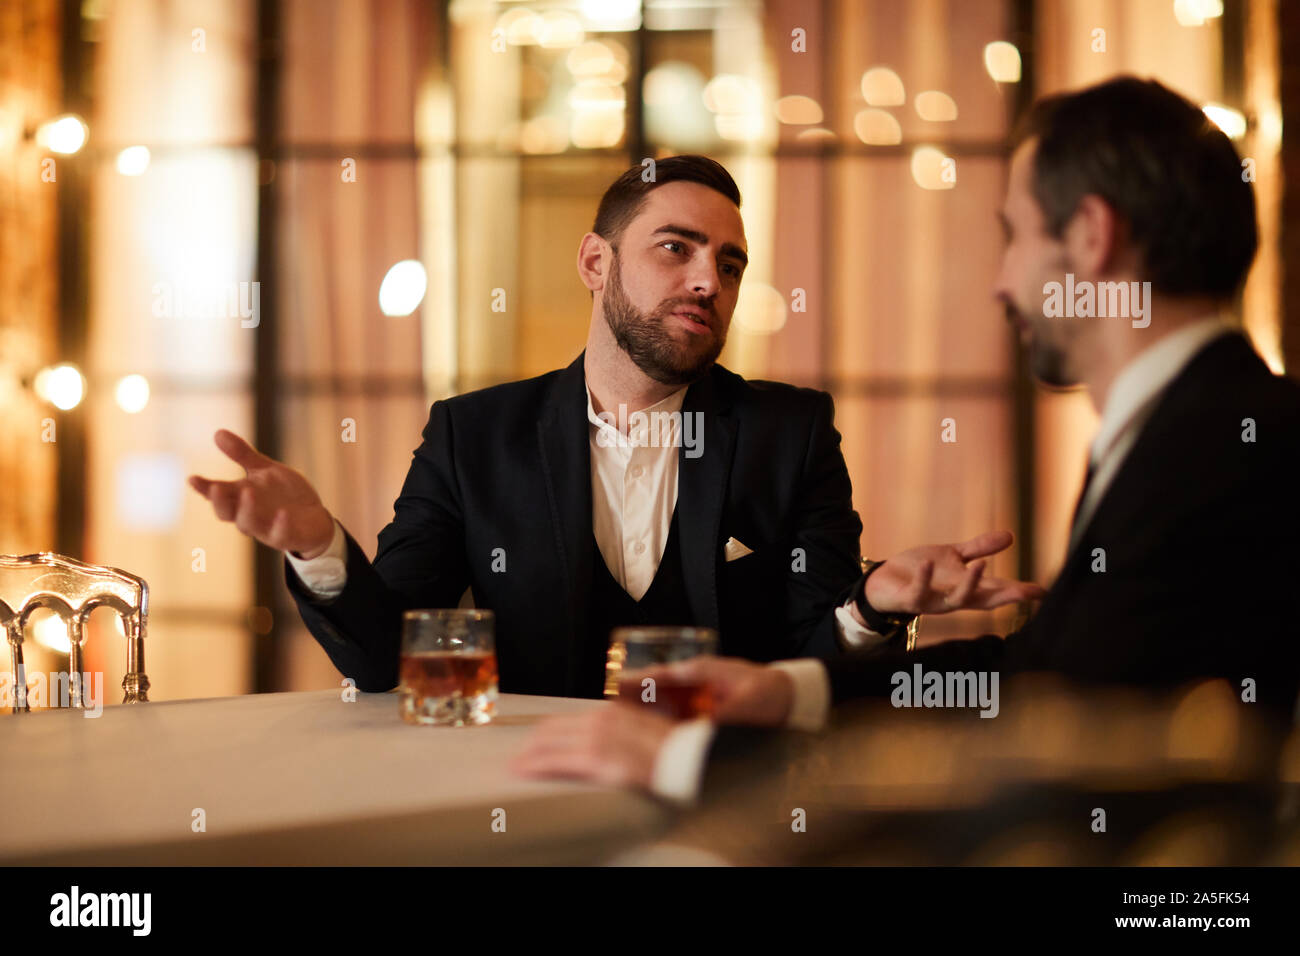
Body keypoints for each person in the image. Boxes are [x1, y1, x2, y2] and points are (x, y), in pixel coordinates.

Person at [512, 76, 1300, 797]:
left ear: (1091, 237)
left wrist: (692, 761)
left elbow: (1083, 749)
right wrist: (797, 692)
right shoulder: (1202, 429)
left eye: (1015, 236)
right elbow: (1036, 673)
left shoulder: (1221, 451)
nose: (1001, 282)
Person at [188, 155, 1042, 699]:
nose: (709, 279)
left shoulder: (794, 433)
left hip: (726, 811)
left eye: (730, 262)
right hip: (524, 809)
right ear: (597, 263)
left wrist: (873, 606)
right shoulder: (471, 436)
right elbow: (387, 662)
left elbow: (811, 658)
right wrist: (319, 548)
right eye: (677, 248)